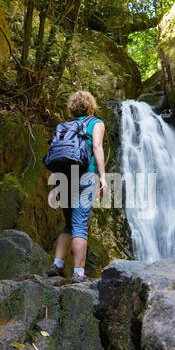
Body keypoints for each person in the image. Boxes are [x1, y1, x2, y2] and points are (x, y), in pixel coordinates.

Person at [48, 91, 107, 283]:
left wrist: (55, 184)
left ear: (71, 108)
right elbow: (97, 148)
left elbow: (57, 153)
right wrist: (102, 176)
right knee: (80, 225)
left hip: (63, 177)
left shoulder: (64, 126)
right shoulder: (95, 123)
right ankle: (79, 273)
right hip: (85, 175)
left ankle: (57, 264)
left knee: (68, 224)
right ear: (91, 106)